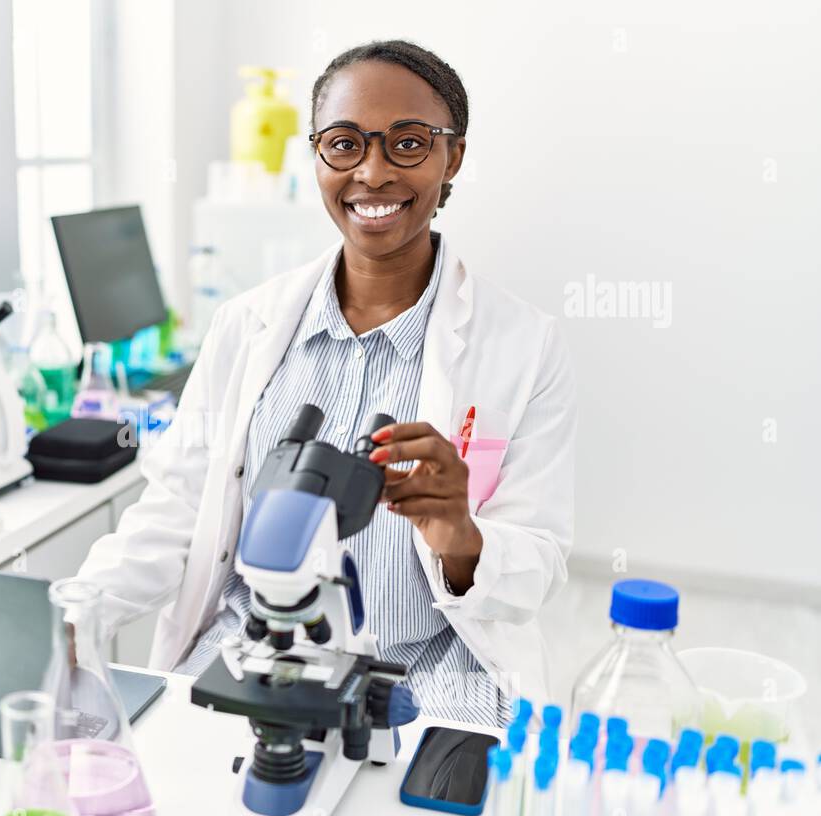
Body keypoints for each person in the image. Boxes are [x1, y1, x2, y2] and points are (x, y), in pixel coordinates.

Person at [75, 40, 575, 723]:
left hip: (430, 675)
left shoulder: (524, 345)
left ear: (451, 156)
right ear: (315, 155)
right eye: (343, 144)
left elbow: (540, 562)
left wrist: (461, 535)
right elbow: (177, 514)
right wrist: (77, 614)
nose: (371, 172)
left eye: (408, 143)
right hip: (251, 657)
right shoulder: (244, 326)